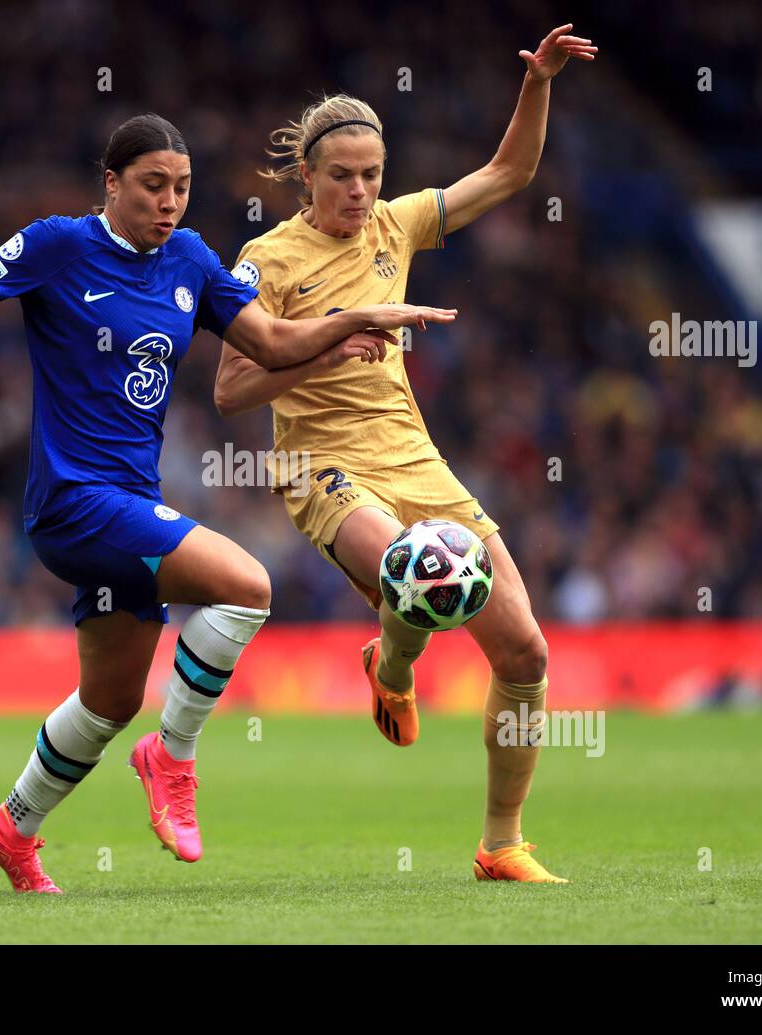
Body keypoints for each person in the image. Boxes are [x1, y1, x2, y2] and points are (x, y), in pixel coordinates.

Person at [0, 113, 456, 892]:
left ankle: (12, 826)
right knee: (249, 586)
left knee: (109, 698)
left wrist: (350, 320)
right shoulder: (59, 244)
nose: (171, 202)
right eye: (153, 185)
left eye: (182, 187)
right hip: (73, 502)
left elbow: (272, 342)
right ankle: (172, 757)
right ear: (111, 184)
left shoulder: (189, 257)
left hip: (129, 503)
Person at [214, 25, 597, 883]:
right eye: (341, 175)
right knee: (410, 564)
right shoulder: (263, 260)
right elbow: (232, 388)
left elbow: (508, 174)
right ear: (306, 176)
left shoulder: (398, 226)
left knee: (528, 653)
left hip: (415, 457)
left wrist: (537, 83)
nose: (358, 191)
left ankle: (501, 843)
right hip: (321, 462)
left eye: (371, 175)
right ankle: (393, 662)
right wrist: (328, 347)